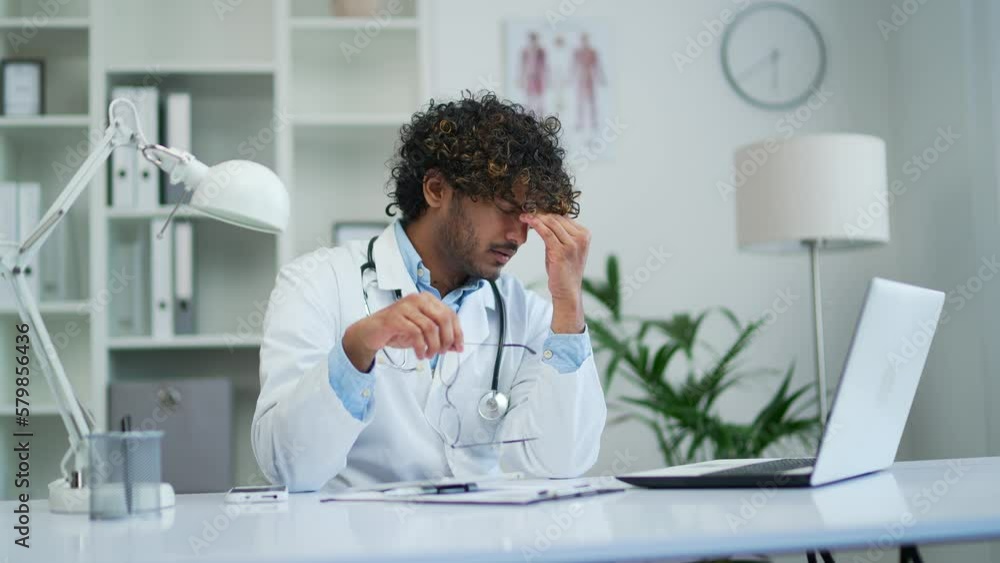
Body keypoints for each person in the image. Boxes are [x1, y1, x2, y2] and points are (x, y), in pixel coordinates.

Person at [251, 92, 607, 492]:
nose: (518, 236)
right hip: (359, 546)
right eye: (507, 208)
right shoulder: (316, 283)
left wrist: (569, 305)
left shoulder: (532, 316)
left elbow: (560, 463)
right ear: (436, 189)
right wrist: (357, 349)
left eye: (530, 217)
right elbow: (287, 466)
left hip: (484, 546)